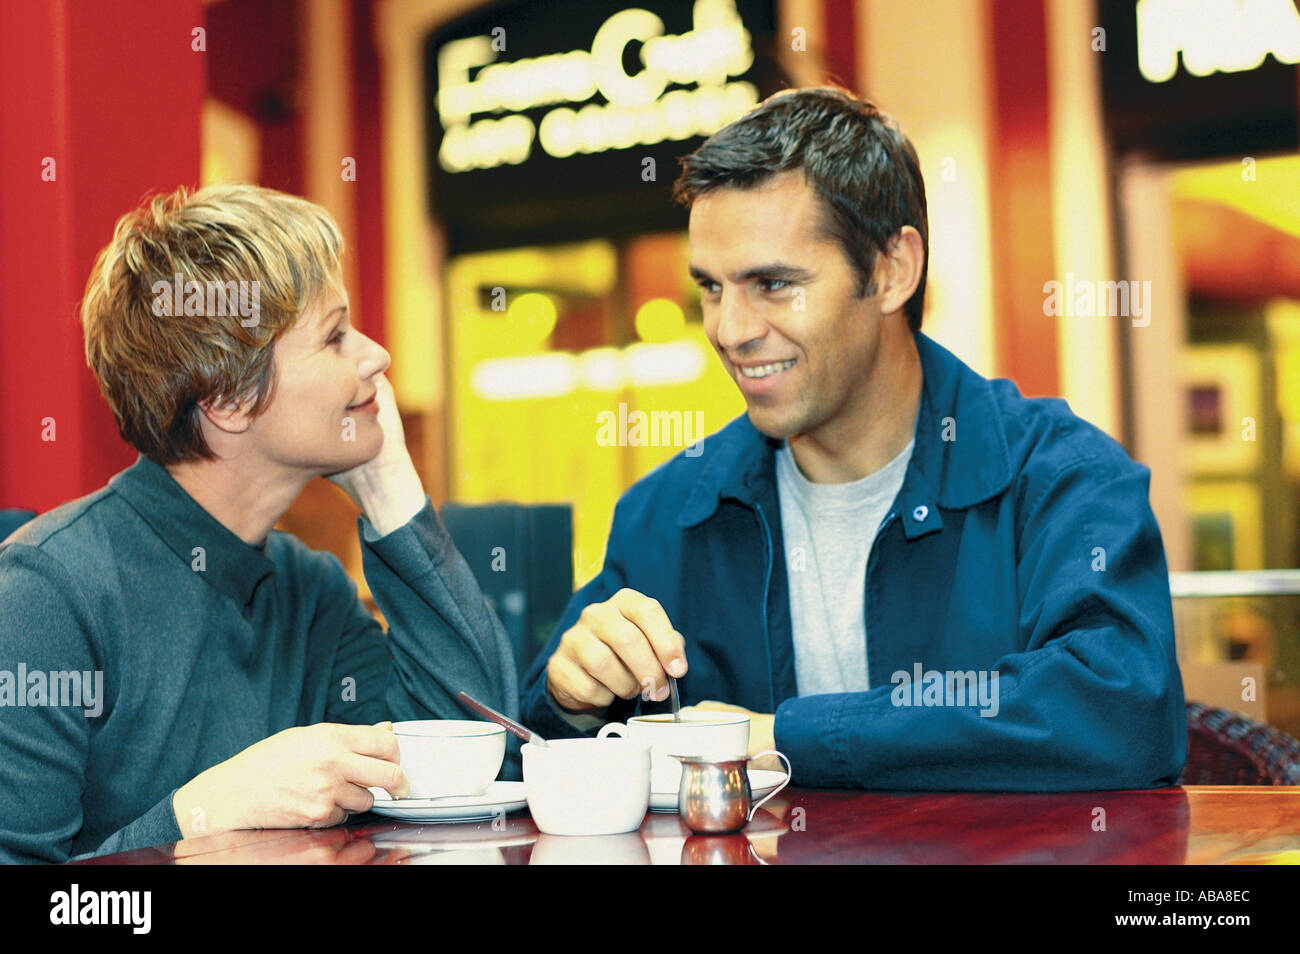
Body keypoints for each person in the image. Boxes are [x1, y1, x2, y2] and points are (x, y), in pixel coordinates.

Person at [520, 86, 1186, 790]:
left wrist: (786, 738)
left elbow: (1124, 710)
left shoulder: (1061, 479)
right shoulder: (666, 513)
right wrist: (572, 702)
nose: (731, 329)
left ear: (893, 269)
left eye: (773, 284)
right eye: (711, 288)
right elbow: (532, 745)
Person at [0, 185, 517, 863]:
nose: (376, 358)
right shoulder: (44, 594)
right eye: (335, 336)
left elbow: (472, 757)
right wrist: (200, 814)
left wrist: (389, 490)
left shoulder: (310, 590)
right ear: (230, 400)